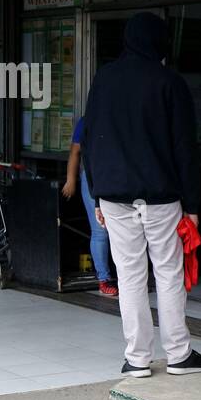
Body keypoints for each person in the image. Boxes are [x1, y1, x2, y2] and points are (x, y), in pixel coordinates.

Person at [82, 12, 201, 377]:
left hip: (114, 197)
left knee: (129, 277)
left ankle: (137, 359)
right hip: (161, 199)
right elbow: (186, 149)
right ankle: (178, 355)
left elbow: (90, 139)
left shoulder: (104, 79)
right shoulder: (169, 82)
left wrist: (96, 196)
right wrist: (192, 204)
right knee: (169, 275)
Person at [62, 116, 117, 298]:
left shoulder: (121, 116)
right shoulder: (87, 121)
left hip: (120, 177)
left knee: (124, 230)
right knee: (100, 230)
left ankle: (127, 278)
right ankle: (104, 279)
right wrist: (71, 180)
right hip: (93, 178)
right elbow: (75, 151)